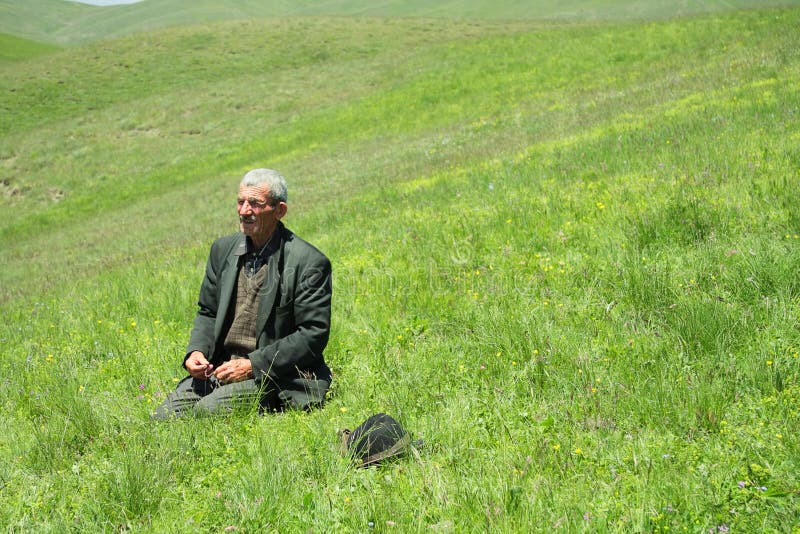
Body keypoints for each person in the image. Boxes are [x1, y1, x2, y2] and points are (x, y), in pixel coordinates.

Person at [153, 168, 332, 418]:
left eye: (255, 204)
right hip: (220, 368)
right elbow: (208, 311)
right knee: (164, 417)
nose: (244, 211)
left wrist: (253, 365)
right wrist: (196, 352)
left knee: (207, 413)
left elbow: (313, 334)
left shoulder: (309, 262)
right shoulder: (222, 250)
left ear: (279, 210)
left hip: (275, 374)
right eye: (241, 201)